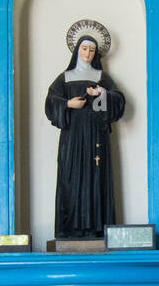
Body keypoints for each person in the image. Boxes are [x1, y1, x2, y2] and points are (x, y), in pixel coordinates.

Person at [45, 19, 125, 240]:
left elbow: (118, 100)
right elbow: (51, 102)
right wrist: (69, 104)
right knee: (71, 180)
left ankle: (96, 231)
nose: (88, 53)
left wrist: (101, 93)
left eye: (92, 50)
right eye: (84, 49)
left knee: (96, 180)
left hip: (96, 137)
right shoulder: (66, 78)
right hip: (72, 139)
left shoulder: (102, 78)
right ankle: (70, 231)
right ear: (77, 51)